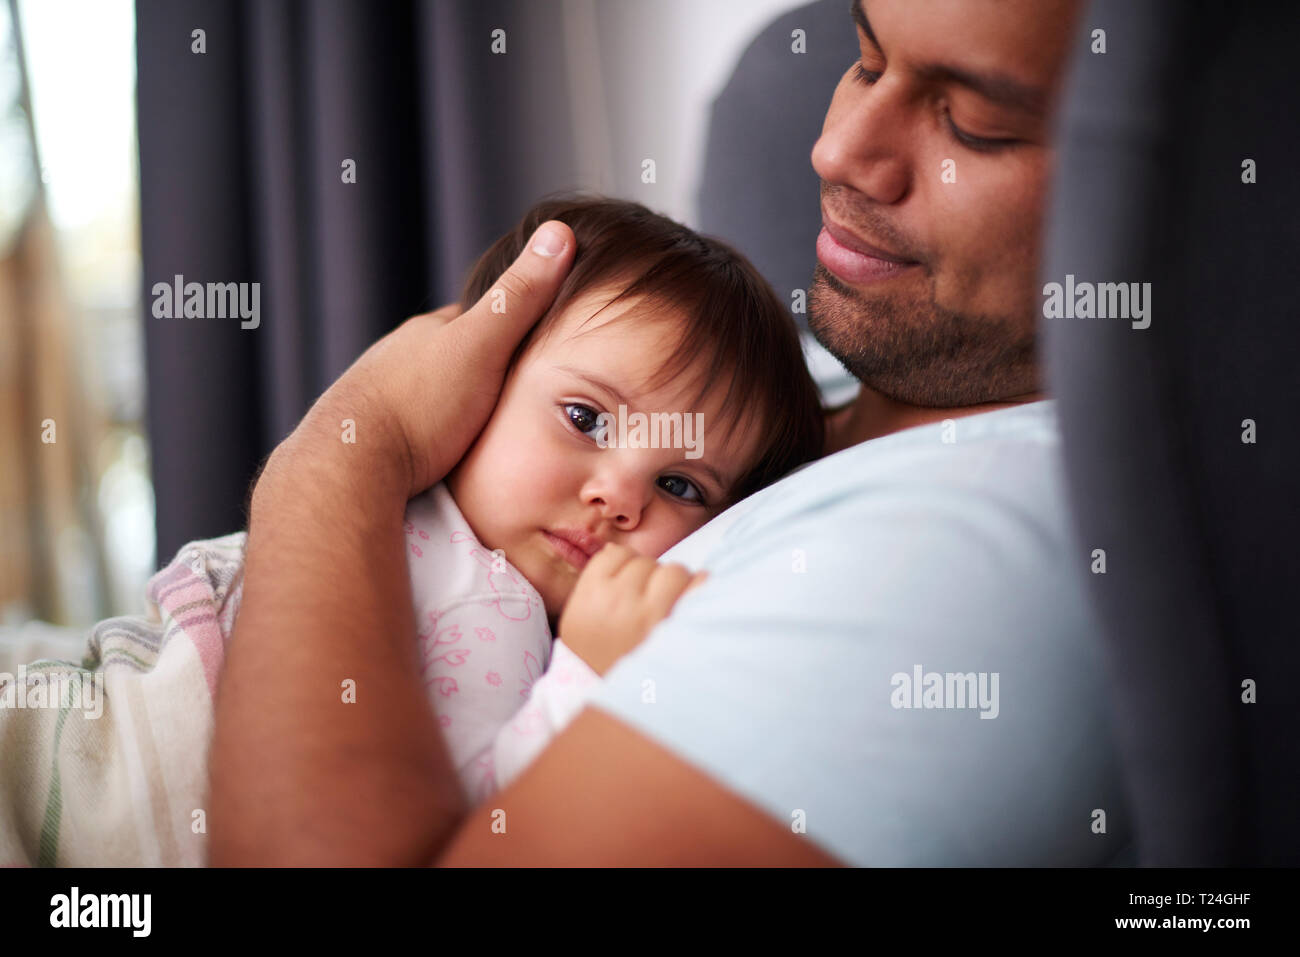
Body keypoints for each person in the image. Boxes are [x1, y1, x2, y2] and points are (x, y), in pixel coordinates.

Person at [209, 0, 1131, 866]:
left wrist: (352, 439)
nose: (836, 151)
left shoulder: (977, 557)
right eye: (864, 60)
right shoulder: (780, 384)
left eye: (973, 123)